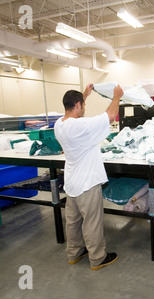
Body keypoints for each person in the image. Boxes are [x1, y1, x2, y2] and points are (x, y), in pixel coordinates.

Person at [54, 83, 124, 270]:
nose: (84, 108)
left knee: (73, 221)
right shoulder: (80, 126)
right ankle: (98, 258)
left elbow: (76, 112)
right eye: (83, 105)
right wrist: (116, 96)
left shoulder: (59, 125)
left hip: (71, 184)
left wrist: (85, 95)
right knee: (92, 221)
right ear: (77, 105)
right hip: (87, 183)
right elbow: (109, 116)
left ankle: (74, 253)